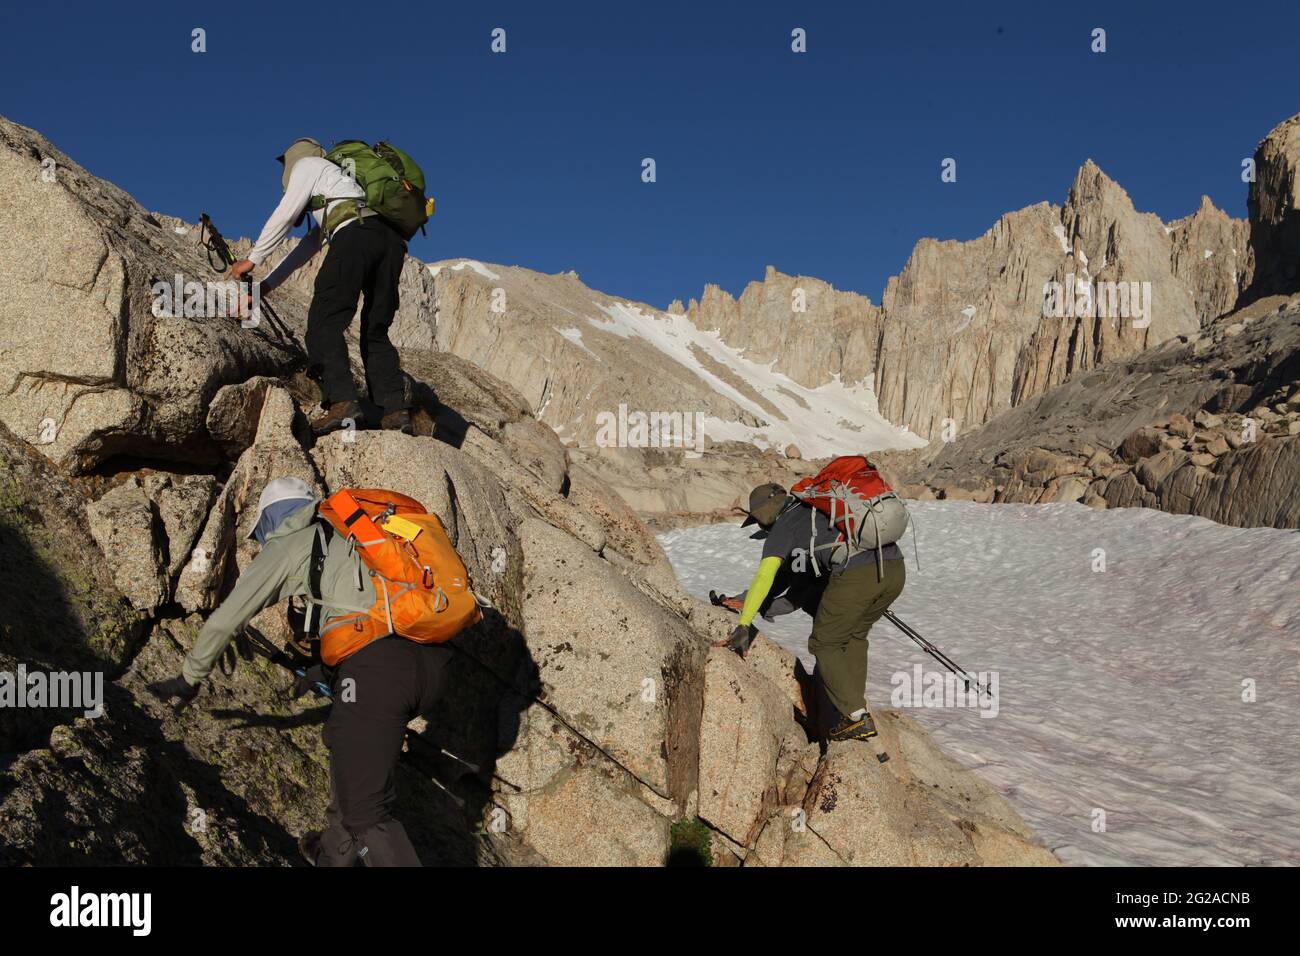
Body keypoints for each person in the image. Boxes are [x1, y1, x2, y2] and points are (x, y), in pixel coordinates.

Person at [148, 477, 450, 866]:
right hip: (431, 663)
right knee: (347, 744)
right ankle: (332, 854)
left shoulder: (290, 544)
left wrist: (189, 677)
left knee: (368, 813)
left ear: (272, 520)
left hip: (378, 672)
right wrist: (326, 671)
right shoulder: (352, 535)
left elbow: (227, 620)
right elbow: (363, 609)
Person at [227, 138, 414, 437]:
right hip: (389, 242)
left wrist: (252, 259)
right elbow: (306, 249)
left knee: (323, 322)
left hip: (355, 237)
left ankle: (342, 402)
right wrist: (263, 290)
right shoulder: (343, 188)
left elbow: (285, 215)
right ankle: (394, 410)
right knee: (375, 329)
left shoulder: (308, 165)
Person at [718, 482, 906, 741]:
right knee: (853, 637)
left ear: (765, 512)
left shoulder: (784, 526)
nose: (761, 528)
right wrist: (746, 600)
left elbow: (766, 575)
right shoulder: (810, 513)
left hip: (857, 573)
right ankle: (854, 709)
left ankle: (855, 715)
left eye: (759, 522)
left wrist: (744, 623)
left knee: (824, 642)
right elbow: (792, 586)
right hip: (893, 569)